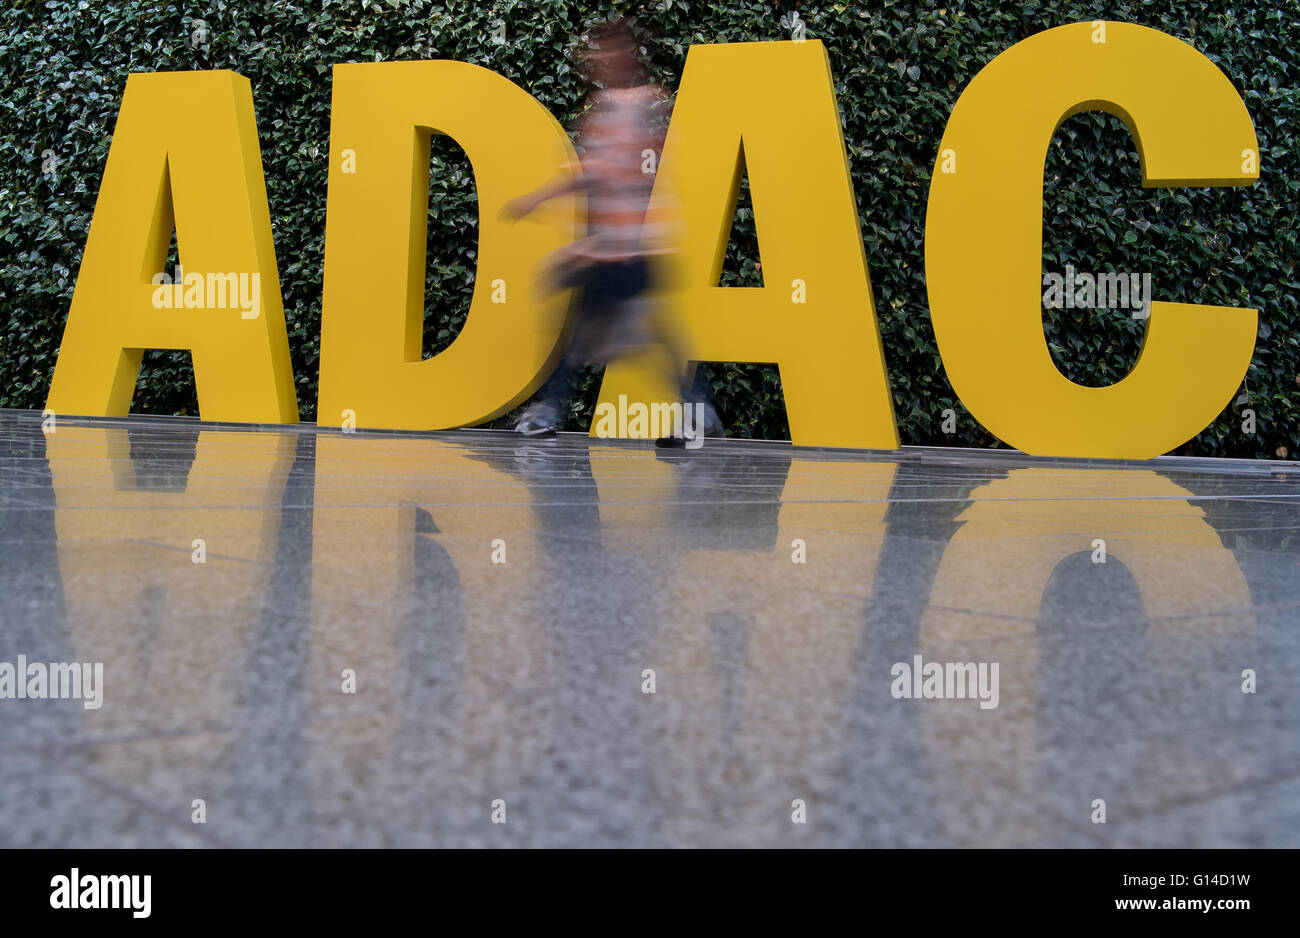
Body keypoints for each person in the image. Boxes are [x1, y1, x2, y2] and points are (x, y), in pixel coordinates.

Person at [501, 17, 720, 445]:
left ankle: (549, 411)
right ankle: (699, 413)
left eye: (609, 51)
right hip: (620, 249)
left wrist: (540, 200)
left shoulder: (640, 105)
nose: (601, 60)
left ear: (626, 54)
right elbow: (601, 174)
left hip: (630, 249)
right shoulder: (609, 106)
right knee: (639, 334)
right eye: (598, 53)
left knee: (597, 333)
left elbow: (611, 172)